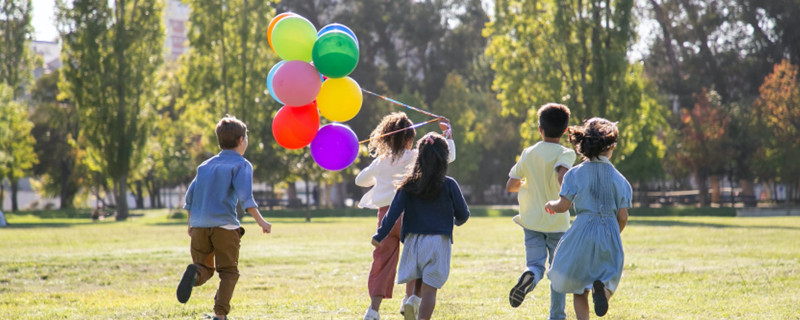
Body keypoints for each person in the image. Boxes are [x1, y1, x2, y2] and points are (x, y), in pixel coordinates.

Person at [356, 112, 456, 320]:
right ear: (410, 138)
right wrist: (448, 135)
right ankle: (410, 300)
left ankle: (373, 310)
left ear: (386, 138)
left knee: (381, 262)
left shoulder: (380, 162)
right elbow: (448, 156)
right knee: (416, 258)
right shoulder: (414, 156)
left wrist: (381, 179)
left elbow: (360, 180)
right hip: (410, 215)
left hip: (385, 217)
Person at [177, 116, 272, 320]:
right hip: (225, 227)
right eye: (246, 137)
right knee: (229, 272)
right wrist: (261, 221)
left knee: (204, 268)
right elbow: (246, 198)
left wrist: (190, 224)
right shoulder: (241, 165)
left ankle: (194, 274)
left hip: (199, 226)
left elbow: (189, 197)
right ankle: (220, 315)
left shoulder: (205, 166)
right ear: (240, 140)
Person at [371, 132, 469, 320]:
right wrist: (455, 222)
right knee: (430, 290)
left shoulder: (407, 185)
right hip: (438, 242)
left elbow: (392, 214)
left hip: (413, 242)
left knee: (418, 274)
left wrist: (380, 235)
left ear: (419, 156)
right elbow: (463, 214)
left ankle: (412, 299)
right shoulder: (449, 184)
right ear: (444, 158)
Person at [545, 117, 630, 319]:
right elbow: (623, 216)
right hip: (609, 231)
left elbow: (563, 206)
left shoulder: (574, 174)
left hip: (581, 232)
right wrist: (613, 234)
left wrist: (551, 205)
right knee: (610, 277)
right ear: (611, 147)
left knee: (578, 285)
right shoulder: (620, 180)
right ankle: (604, 292)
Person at [506, 103, 576, 320]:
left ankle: (530, 276)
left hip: (531, 220)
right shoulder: (566, 152)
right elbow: (562, 176)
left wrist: (529, 181)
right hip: (557, 221)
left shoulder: (529, 152)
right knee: (558, 271)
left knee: (535, 264)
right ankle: (557, 316)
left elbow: (511, 185)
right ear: (565, 130)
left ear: (540, 129)